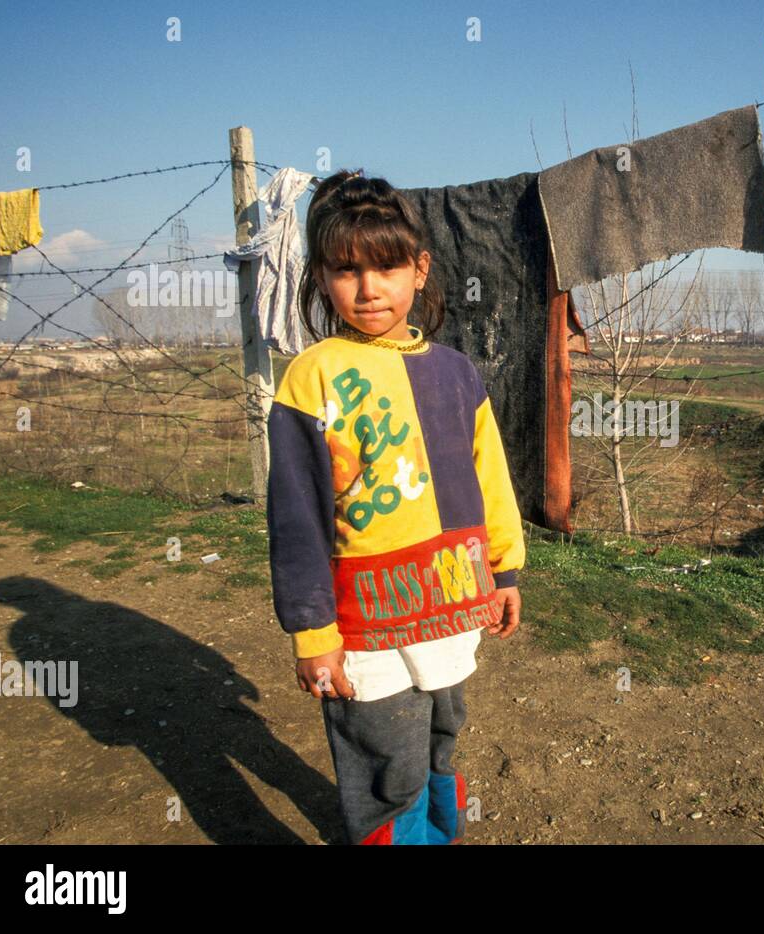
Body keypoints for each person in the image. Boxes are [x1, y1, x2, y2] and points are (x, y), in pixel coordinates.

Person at [266, 170, 524, 845]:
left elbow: (490, 478)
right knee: (387, 762)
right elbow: (294, 519)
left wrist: (506, 571)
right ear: (321, 277)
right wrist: (313, 635)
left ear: (419, 269)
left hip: (452, 602)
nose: (369, 287)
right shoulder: (311, 377)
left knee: (442, 737)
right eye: (346, 269)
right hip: (364, 623)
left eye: (386, 266)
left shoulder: (457, 372)